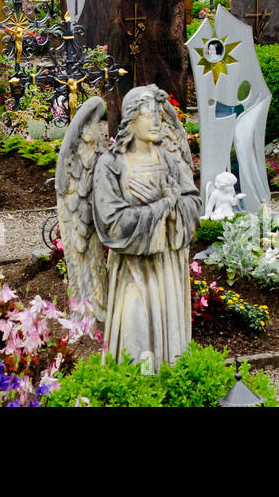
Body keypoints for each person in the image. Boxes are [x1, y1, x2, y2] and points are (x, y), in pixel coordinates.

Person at [92, 85, 200, 368]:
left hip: (166, 267)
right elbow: (112, 224)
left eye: (157, 115)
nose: (155, 121)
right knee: (133, 336)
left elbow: (192, 206)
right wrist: (161, 206)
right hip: (132, 271)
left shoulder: (168, 159)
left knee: (169, 358)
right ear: (130, 119)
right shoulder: (111, 164)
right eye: (146, 114)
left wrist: (162, 205)